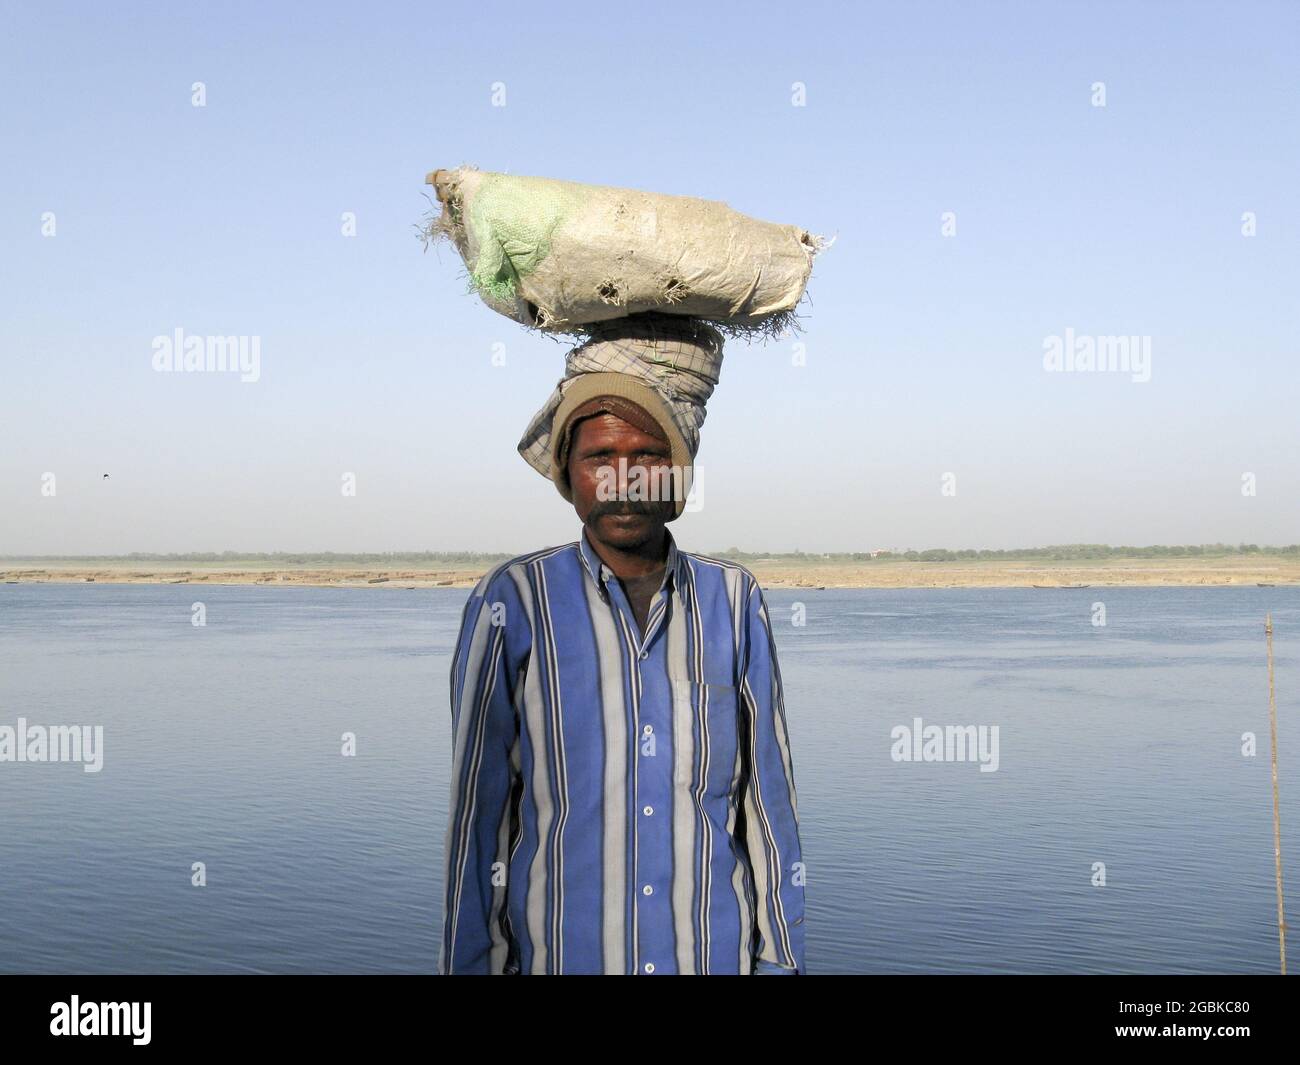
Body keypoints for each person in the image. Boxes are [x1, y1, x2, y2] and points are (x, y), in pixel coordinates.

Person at [439, 314, 806, 974]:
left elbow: (767, 811)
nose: (623, 478)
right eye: (600, 457)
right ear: (570, 475)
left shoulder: (733, 600)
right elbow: (478, 821)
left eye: (648, 455)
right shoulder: (514, 602)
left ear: (678, 471)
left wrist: (781, 963)